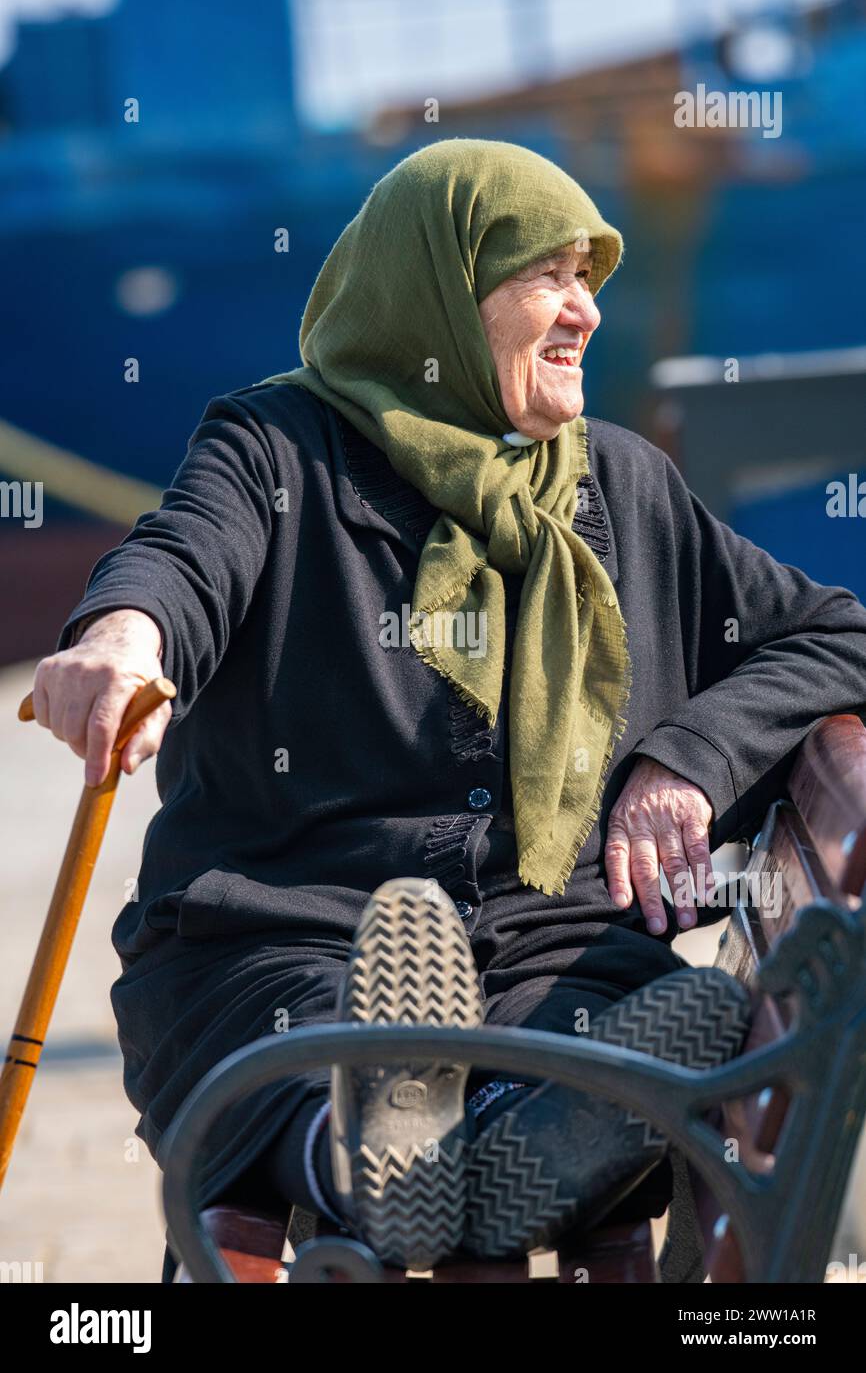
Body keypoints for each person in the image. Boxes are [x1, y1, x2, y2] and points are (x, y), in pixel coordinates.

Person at [34, 139, 866, 1273]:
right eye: (546, 275)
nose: (583, 310)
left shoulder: (616, 482)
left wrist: (689, 756)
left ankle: (449, 1156)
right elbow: (180, 561)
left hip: (552, 956)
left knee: (632, 1022)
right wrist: (120, 638)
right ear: (435, 289)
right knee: (320, 1043)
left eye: (589, 278)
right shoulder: (276, 448)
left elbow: (836, 635)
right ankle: (379, 1144)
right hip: (292, 937)